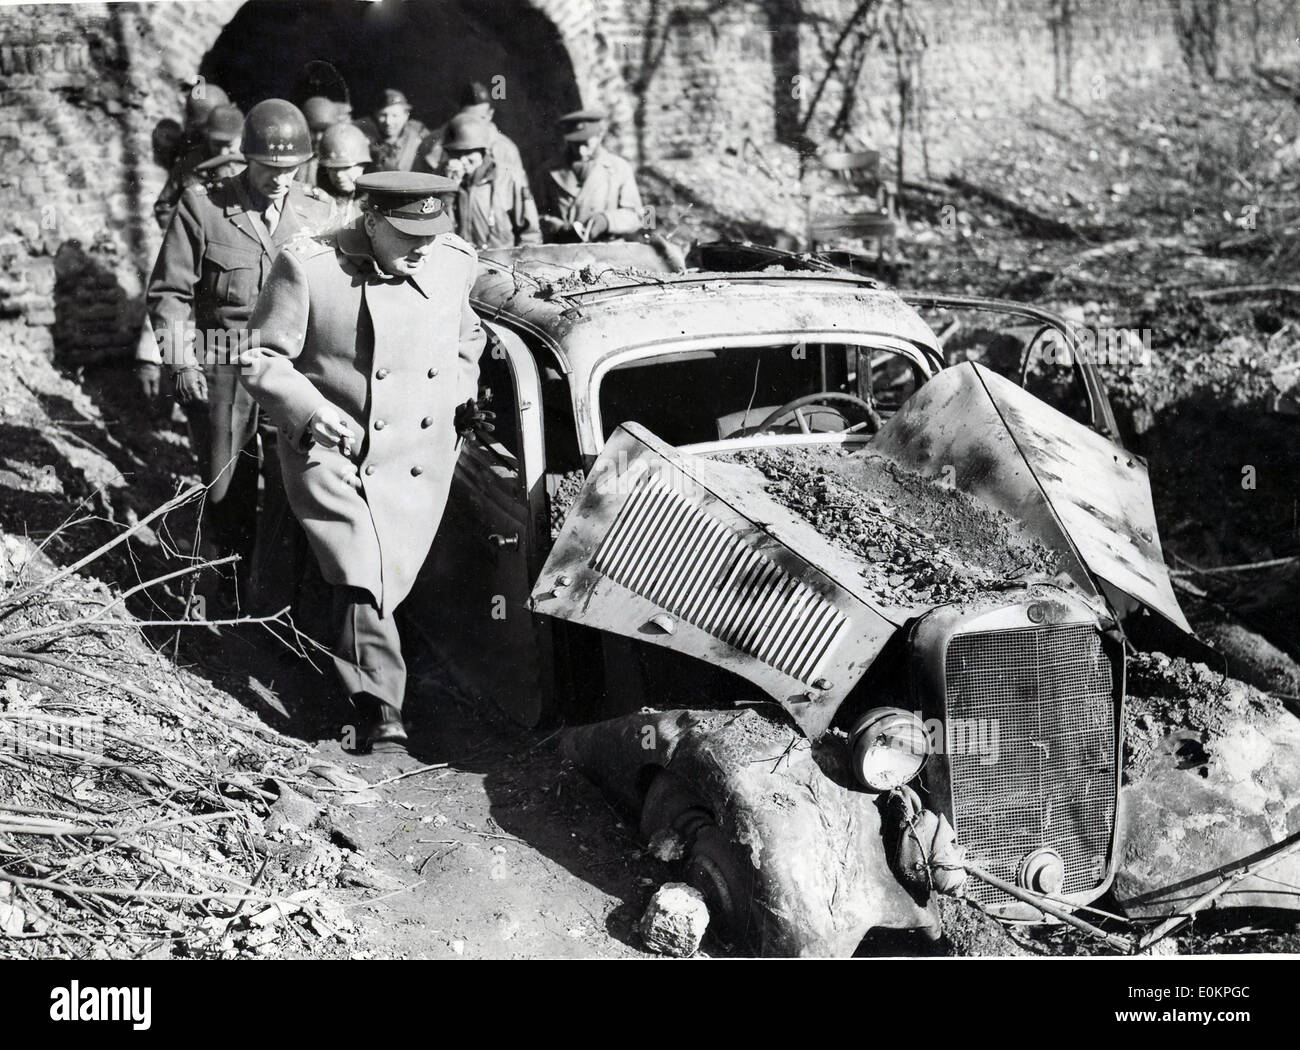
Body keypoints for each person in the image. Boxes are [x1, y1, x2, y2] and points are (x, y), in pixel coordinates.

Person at [238, 172, 491, 753]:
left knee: (391, 574)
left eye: (432, 231)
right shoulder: (310, 269)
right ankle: (380, 712)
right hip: (334, 450)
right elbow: (258, 359)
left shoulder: (453, 262)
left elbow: (466, 338)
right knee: (360, 573)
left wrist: (458, 400)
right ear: (371, 221)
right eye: (407, 234)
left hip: (418, 451)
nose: (422, 247)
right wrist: (308, 409)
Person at [147, 99, 334, 596]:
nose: (278, 179)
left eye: (290, 169)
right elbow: (169, 294)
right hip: (224, 370)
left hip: (291, 375)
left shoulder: (318, 214)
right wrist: (180, 359)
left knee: (290, 491)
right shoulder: (203, 206)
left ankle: (273, 604)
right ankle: (224, 593)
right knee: (225, 489)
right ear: (245, 157)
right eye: (268, 168)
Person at [539, 108, 644, 242]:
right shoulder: (549, 170)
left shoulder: (619, 168)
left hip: (607, 251)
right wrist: (558, 228)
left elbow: (636, 216)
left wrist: (607, 221)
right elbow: (537, 214)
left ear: (600, 136)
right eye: (575, 144)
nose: (581, 150)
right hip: (564, 252)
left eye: (586, 142)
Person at [440, 114, 540, 250]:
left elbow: (531, 235)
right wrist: (449, 190)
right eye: (456, 153)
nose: (462, 160)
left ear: (483, 151)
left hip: (502, 264)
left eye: (468, 152)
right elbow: (440, 234)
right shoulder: (442, 180)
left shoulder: (509, 178)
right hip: (461, 263)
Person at [155, 97, 241, 229]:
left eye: (229, 146)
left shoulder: (253, 164)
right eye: (217, 145)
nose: (223, 153)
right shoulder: (190, 162)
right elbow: (163, 208)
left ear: (240, 138)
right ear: (207, 135)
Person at [418, 79, 525, 176]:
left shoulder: (505, 149)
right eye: (467, 118)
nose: (473, 125)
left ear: (490, 114)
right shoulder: (433, 142)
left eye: (479, 118)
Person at [316, 122, 372, 226]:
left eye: (346, 168)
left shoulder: (375, 200)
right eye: (333, 168)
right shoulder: (318, 197)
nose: (339, 175)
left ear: (363, 165)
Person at [365, 89, 428, 172]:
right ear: (376, 115)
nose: (388, 121)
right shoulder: (365, 136)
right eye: (383, 115)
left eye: (395, 115)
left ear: (406, 116)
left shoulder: (418, 135)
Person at [296, 95, 339, 188]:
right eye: (313, 130)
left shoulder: (338, 160)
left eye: (324, 130)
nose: (318, 137)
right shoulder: (295, 158)